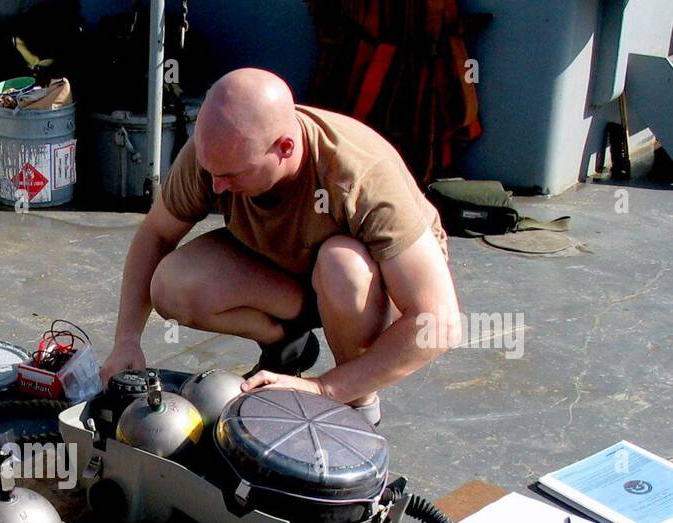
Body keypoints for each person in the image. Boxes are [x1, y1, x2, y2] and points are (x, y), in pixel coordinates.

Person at [100, 67, 462, 422]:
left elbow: (437, 320)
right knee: (171, 284)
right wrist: (127, 339)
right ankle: (286, 345)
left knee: (342, 265)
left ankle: (358, 402)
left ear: (284, 148)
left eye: (230, 175)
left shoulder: (361, 174)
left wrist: (325, 389)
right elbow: (157, 234)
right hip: (291, 270)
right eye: (211, 172)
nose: (216, 187)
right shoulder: (217, 153)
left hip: (372, 284)